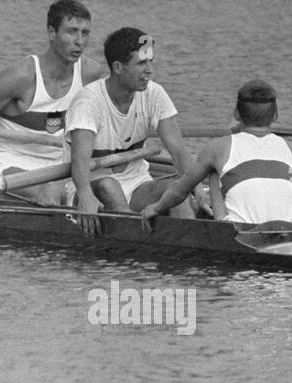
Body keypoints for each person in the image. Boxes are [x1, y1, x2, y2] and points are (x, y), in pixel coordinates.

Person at [0, 0, 105, 205]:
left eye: (85, 33)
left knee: (106, 190)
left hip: (62, 166)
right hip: (13, 163)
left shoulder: (91, 73)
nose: (80, 41)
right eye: (72, 31)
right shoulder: (21, 76)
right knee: (51, 195)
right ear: (51, 33)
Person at [66, 27, 196, 237]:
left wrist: (198, 190)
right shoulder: (88, 101)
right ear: (118, 67)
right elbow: (79, 161)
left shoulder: (154, 93)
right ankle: (136, 241)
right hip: (91, 187)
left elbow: (179, 152)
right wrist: (85, 195)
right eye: (141, 63)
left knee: (175, 188)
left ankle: (193, 240)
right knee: (109, 186)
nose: (149, 71)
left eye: (150, 62)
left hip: (138, 184)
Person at [139, 80, 292, 228]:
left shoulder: (218, 147)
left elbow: (180, 191)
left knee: (214, 171)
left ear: (236, 114)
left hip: (240, 232)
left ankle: (220, 220)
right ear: (275, 115)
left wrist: (155, 207)